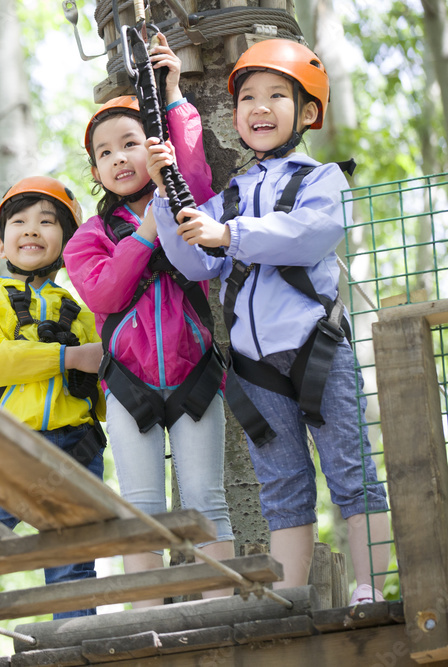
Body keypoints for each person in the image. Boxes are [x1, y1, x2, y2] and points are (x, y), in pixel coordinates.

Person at [146, 38, 391, 605]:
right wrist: (166, 198)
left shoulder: (322, 180)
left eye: (277, 95)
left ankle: (370, 588)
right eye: (248, 97)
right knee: (282, 487)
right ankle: (292, 599)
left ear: (307, 113)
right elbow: (195, 258)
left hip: (317, 351)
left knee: (351, 473)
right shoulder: (231, 194)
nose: (259, 107)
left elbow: (311, 236)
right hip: (255, 369)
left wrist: (231, 234)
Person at [63, 33, 235, 608]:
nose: (118, 158)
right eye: (105, 152)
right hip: (130, 385)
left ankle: (222, 607)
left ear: (152, 149)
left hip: (194, 377)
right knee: (141, 504)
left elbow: (193, 177)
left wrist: (174, 97)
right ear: (95, 170)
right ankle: (145, 615)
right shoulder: (89, 238)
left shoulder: (183, 203)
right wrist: (143, 236)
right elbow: (106, 294)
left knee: (206, 499)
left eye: (131, 144)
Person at [0, 176, 107, 664]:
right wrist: (68, 358)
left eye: (47, 222)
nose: (32, 230)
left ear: (68, 243)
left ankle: (71, 650)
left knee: (72, 560)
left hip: (76, 444)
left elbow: (108, 381)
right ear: (0, 242)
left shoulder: (85, 312)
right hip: (2, 442)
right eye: (19, 222)